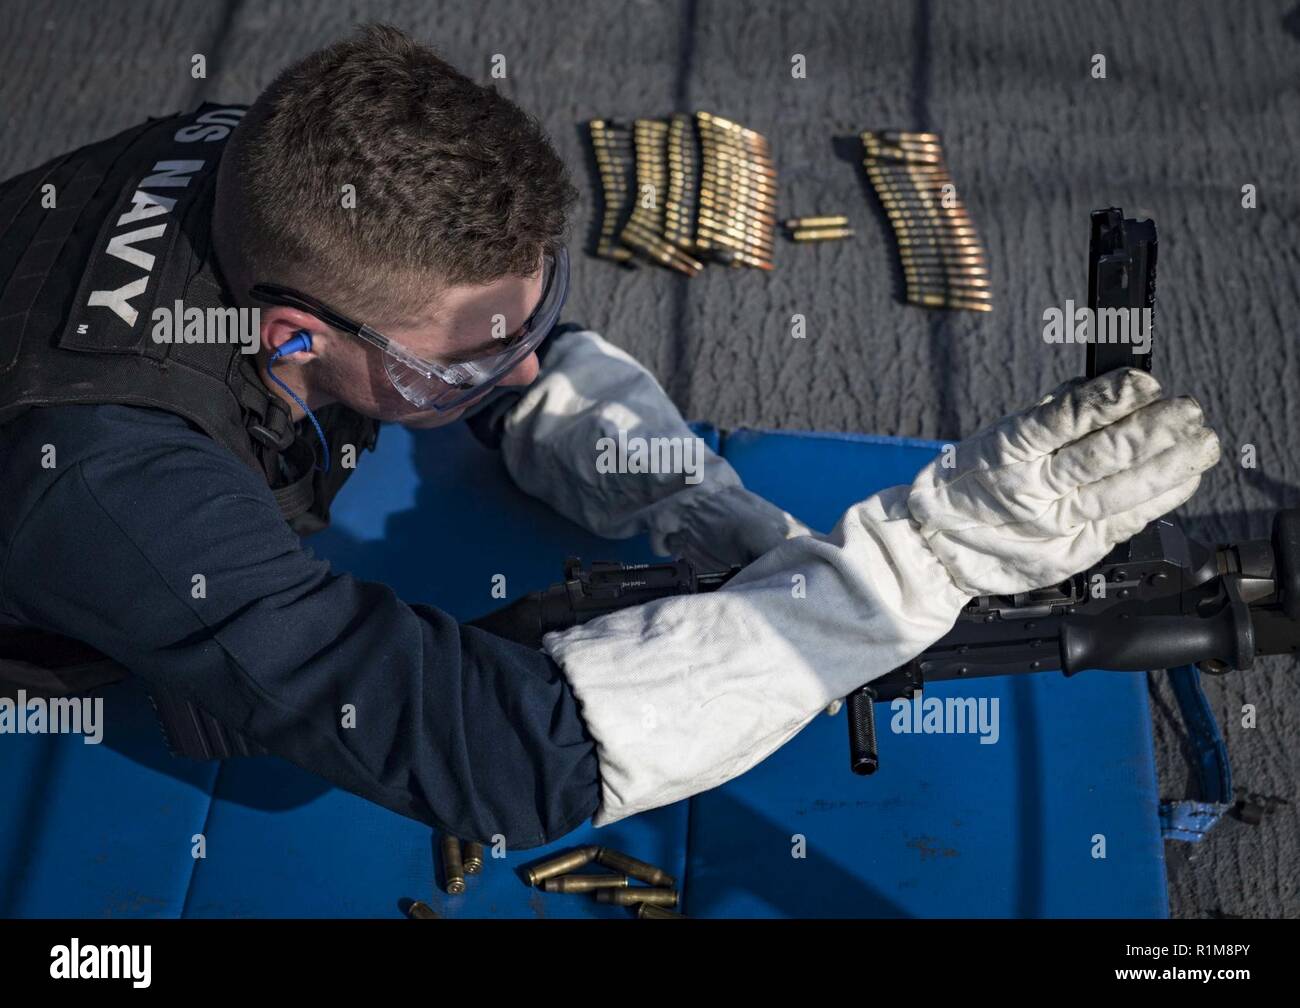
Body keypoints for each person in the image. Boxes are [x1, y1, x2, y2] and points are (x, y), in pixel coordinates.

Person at [0, 25, 1220, 846]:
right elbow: (512, 761)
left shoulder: (280, 165)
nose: (516, 368)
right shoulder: (117, 477)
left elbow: (512, 365)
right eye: (461, 361)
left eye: (533, 313)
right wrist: (925, 564)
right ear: (289, 343)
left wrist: (683, 496)